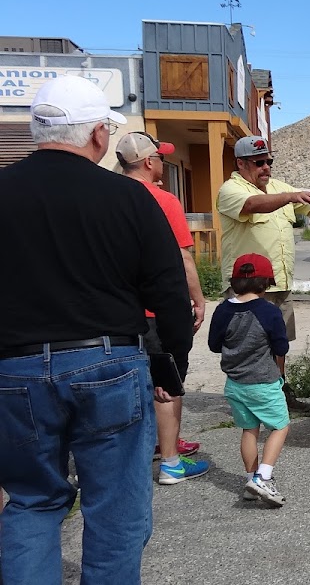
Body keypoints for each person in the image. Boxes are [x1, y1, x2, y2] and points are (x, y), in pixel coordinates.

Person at [0, 76, 192, 583]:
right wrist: (173, 366)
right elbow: (168, 291)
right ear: (97, 137)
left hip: (14, 370)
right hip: (109, 363)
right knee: (115, 512)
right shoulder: (129, 198)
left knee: (32, 503)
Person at [216, 135, 310, 412]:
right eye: (259, 163)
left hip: (279, 283)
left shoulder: (277, 187)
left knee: (279, 343)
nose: (266, 168)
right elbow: (252, 206)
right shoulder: (231, 190)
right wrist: (290, 196)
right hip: (248, 288)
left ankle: (279, 393)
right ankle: (249, 401)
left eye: (269, 161)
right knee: (248, 347)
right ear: (241, 163)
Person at [116, 131, 209, 485]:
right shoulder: (163, 200)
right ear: (149, 163)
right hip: (158, 312)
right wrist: (199, 300)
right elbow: (183, 257)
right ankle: (170, 462)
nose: (164, 164)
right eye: (161, 158)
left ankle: (146, 450)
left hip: (119, 312)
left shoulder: (108, 197)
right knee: (168, 383)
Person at [207, 253, 291, 507]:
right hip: (264, 382)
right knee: (280, 426)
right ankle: (263, 477)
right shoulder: (269, 311)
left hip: (235, 384)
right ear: (266, 283)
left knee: (249, 430)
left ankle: (250, 481)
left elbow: (213, 345)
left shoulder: (222, 310)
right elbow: (281, 348)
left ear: (234, 281)